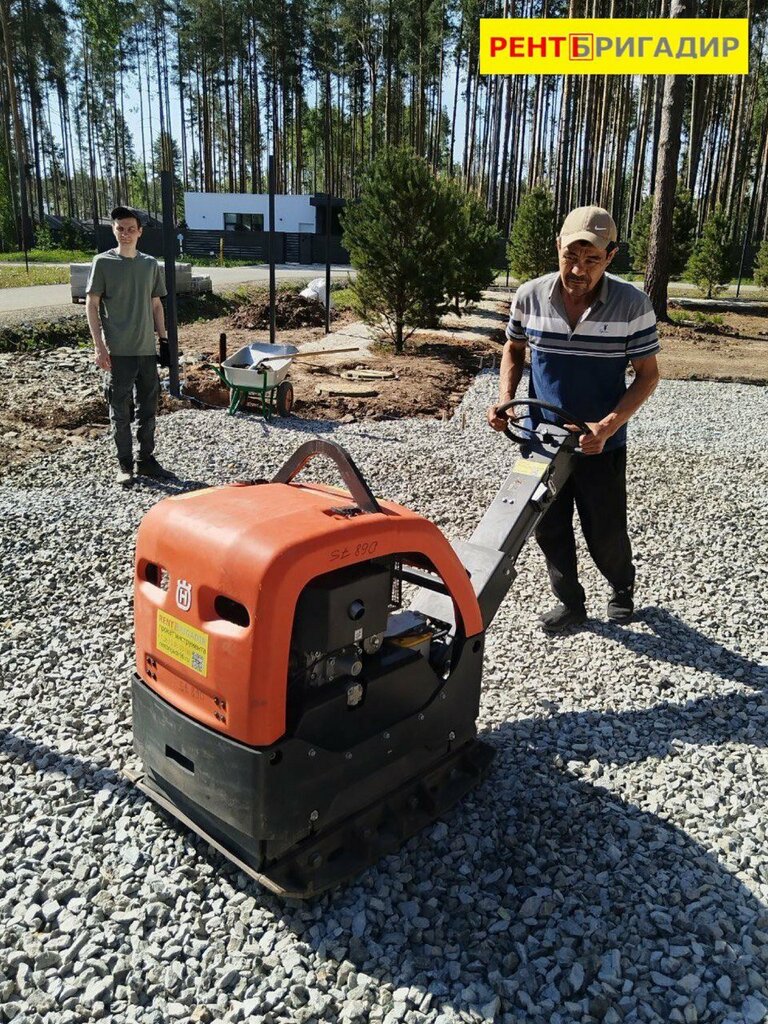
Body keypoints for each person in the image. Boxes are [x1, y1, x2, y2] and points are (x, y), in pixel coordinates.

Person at [487, 205, 660, 632]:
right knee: (547, 527)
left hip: (599, 442)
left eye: (592, 260)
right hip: (540, 440)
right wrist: (504, 399)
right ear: (557, 247)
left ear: (611, 257)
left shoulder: (631, 305)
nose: (578, 270)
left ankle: (621, 587)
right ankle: (570, 602)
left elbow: (648, 375)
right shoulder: (530, 295)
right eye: (570, 257)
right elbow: (513, 348)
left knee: (605, 530)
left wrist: (607, 426)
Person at [86, 206, 173, 485]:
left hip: (146, 351)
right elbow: (92, 304)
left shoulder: (149, 265)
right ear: (114, 230)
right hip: (118, 352)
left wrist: (165, 340)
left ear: (140, 232)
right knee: (120, 411)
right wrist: (99, 346)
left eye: (130, 229)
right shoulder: (102, 263)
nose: (125, 233)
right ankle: (124, 465)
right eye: (120, 228)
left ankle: (145, 460)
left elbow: (156, 304)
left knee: (149, 409)